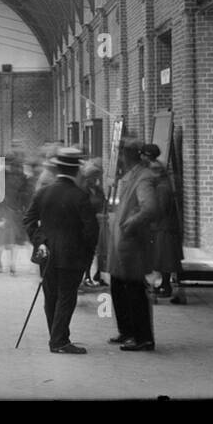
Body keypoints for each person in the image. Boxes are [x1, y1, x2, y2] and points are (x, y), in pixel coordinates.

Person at [22, 147, 98, 353]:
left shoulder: (43, 193)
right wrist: (87, 257)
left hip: (46, 255)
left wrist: (41, 241)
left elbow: (28, 219)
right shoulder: (80, 196)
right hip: (72, 256)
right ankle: (59, 341)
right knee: (66, 297)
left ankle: (57, 337)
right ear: (76, 171)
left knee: (51, 296)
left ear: (57, 169)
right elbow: (91, 230)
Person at [108, 139, 159, 351]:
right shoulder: (131, 175)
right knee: (118, 286)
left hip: (132, 243)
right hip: (122, 242)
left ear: (126, 156)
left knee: (134, 289)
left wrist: (130, 222)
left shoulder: (143, 177)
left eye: (120, 155)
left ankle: (143, 338)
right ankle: (127, 331)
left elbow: (149, 207)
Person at [142, 143, 186, 304]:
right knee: (163, 257)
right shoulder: (162, 181)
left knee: (165, 257)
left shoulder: (161, 186)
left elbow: (160, 207)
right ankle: (164, 285)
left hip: (164, 226)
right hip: (163, 225)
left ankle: (166, 286)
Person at [0, 157, 30, 273]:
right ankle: (2, 262)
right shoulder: (3, 177)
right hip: (4, 211)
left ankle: (10, 264)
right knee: (3, 240)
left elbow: (23, 196)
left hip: (12, 212)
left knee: (10, 240)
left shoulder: (18, 178)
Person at [77, 158, 108, 286]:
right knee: (88, 251)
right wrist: (96, 215)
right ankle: (87, 276)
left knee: (101, 251)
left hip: (100, 225)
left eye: (97, 177)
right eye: (93, 177)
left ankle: (99, 274)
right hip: (88, 226)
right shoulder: (82, 191)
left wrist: (104, 212)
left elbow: (104, 202)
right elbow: (83, 209)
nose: (95, 180)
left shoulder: (98, 189)